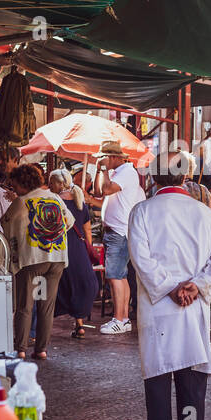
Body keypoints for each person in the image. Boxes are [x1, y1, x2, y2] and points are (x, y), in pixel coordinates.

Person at [124, 160, 211, 420]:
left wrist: (170, 287)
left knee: (158, 387)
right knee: (192, 388)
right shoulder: (205, 214)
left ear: (154, 178)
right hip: (193, 309)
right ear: (185, 177)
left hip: (158, 311)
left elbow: (139, 258)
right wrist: (195, 286)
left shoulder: (142, 211)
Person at [1, 164, 73, 361]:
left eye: (14, 184)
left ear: (22, 184)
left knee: (25, 305)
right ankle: (41, 349)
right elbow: (70, 221)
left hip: (32, 260)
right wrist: (52, 235)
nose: (13, 188)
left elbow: (5, 222)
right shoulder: (54, 197)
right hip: (56, 259)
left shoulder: (21, 201)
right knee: (46, 305)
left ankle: (21, 348)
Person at [86, 140, 144, 335]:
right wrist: (99, 170)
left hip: (119, 232)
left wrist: (102, 171)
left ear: (112, 157)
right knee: (120, 277)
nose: (101, 161)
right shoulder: (115, 173)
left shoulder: (127, 172)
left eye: (103, 157)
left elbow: (107, 190)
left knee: (114, 276)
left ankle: (118, 319)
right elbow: (97, 192)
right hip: (115, 231)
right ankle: (124, 318)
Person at [48, 168, 99, 339]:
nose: (49, 185)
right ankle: (80, 324)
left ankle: (43, 325)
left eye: (51, 182)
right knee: (78, 283)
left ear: (59, 184)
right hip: (78, 248)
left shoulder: (53, 201)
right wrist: (87, 249)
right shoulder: (79, 202)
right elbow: (87, 229)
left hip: (58, 247)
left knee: (55, 284)